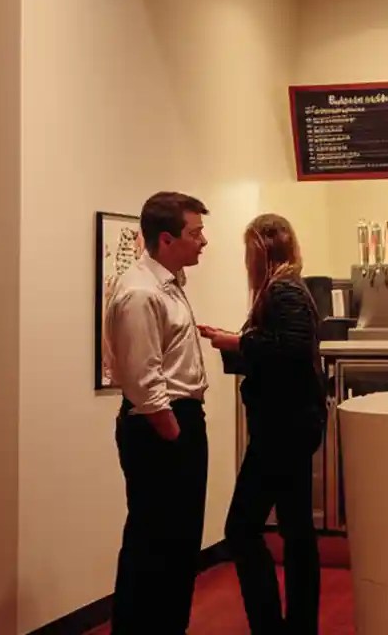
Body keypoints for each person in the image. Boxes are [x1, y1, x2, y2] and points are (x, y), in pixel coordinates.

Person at [201, 214, 325, 635]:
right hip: (294, 424)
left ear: (262, 249)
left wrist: (236, 342)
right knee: (296, 529)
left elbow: (289, 347)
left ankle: (270, 626)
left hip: (281, 428)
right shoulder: (290, 285)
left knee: (241, 528)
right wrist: (235, 341)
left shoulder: (284, 288)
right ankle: (300, 624)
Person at [105, 191, 210, 635]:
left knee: (180, 543)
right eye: (195, 233)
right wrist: (171, 431)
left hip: (175, 422)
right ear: (166, 239)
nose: (203, 241)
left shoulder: (167, 284)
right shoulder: (140, 292)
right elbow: (143, 379)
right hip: (160, 428)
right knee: (155, 542)